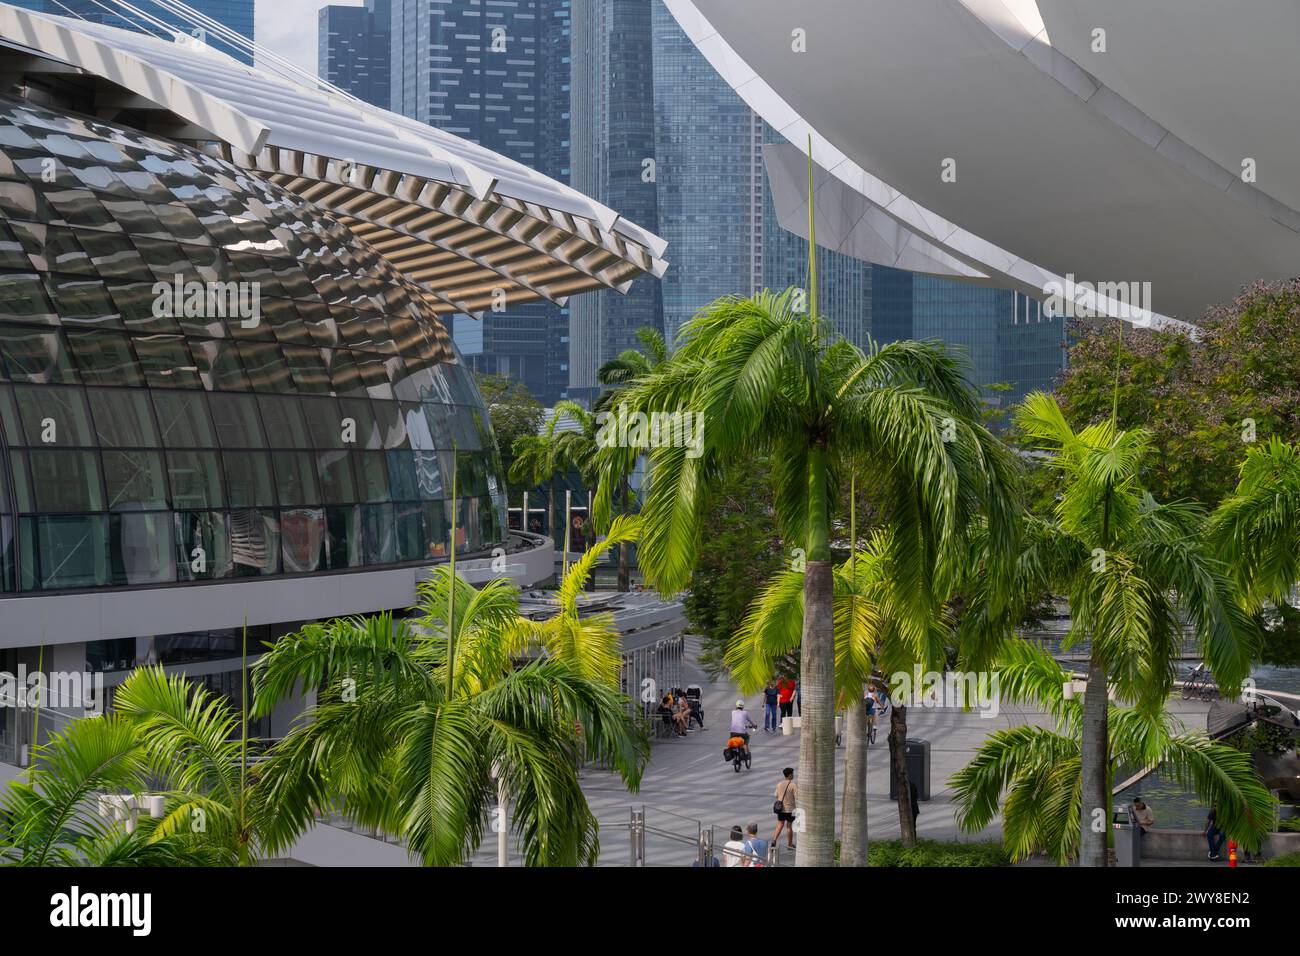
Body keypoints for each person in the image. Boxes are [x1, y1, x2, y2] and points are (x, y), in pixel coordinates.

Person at [772, 767, 797, 850]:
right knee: (789, 827)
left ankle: (774, 840)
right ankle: (790, 844)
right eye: (792, 774)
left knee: (780, 824)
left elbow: (775, 795)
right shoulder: (793, 785)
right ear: (789, 775)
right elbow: (797, 796)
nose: (793, 775)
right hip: (790, 809)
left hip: (781, 808)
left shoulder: (779, 784)